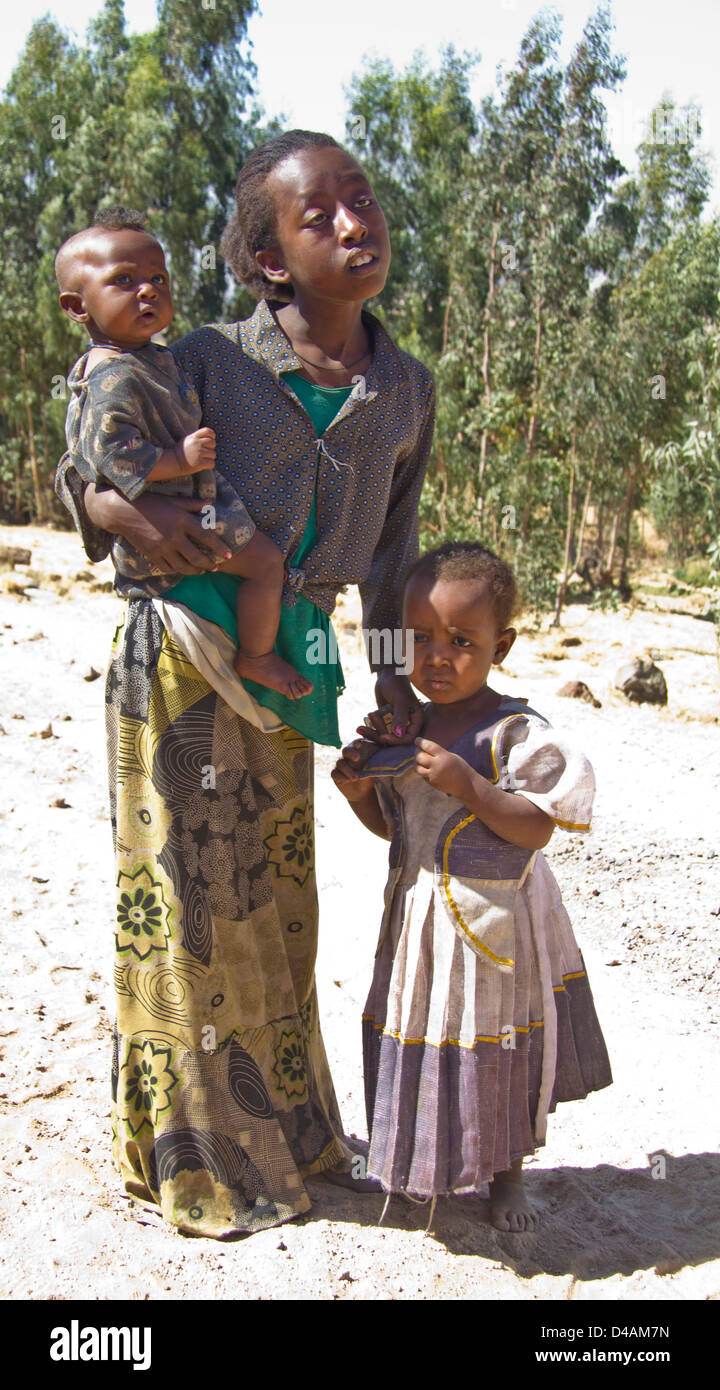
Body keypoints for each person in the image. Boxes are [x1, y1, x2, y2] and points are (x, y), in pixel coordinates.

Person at [55, 130, 433, 1238]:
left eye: (362, 201)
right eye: (321, 216)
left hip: (290, 664)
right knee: (188, 906)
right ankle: (197, 1161)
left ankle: (295, 1135)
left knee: (276, 901)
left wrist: (397, 688)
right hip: (179, 650)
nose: (355, 224)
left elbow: (394, 559)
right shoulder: (207, 360)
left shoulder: (404, 390)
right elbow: (96, 438)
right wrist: (126, 512)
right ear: (270, 262)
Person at [332, 542, 612, 1233]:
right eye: (421, 638)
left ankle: (505, 1178)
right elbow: (397, 830)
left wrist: (470, 784)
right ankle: (411, 1164)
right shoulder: (409, 728)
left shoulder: (513, 731)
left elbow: (537, 828)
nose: (437, 657)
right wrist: (357, 791)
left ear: (502, 645)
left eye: (462, 641)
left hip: (494, 925)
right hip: (420, 918)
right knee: (423, 1032)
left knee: (493, 1041)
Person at [55, 208, 311, 700]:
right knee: (265, 564)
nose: (147, 290)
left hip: (185, 512)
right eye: (123, 280)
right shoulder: (113, 377)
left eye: (157, 278)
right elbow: (107, 455)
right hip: (179, 518)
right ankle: (256, 657)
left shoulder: (153, 358)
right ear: (77, 306)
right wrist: (179, 458)